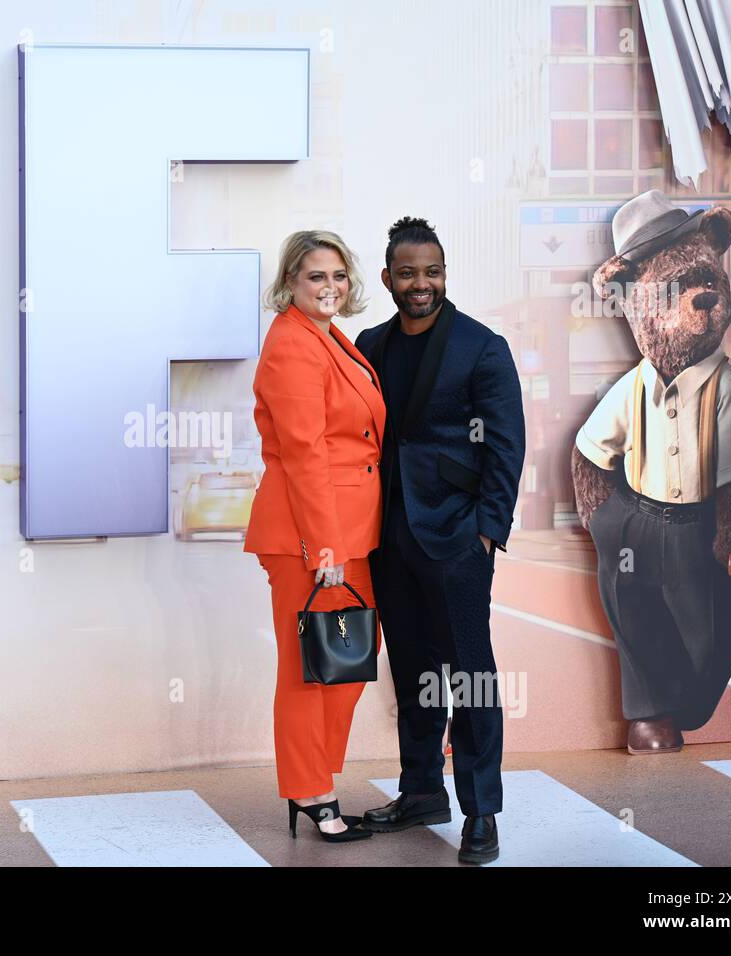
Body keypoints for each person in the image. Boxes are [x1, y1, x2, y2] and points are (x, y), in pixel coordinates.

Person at [354, 217, 525, 864]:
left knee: (470, 676)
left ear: (445, 274)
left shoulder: (482, 347)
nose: (420, 283)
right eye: (407, 272)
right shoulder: (369, 344)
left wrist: (487, 532)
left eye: (432, 271)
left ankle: (482, 811)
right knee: (414, 671)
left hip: (457, 537)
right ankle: (422, 790)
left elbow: (507, 447)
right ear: (388, 278)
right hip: (388, 535)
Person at [244, 230, 386, 843]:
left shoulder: (327, 338)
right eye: (315, 278)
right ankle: (312, 792)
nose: (329, 288)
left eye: (338, 277)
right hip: (312, 538)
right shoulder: (291, 347)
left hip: (350, 534)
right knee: (310, 670)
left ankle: (319, 778)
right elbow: (303, 454)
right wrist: (324, 547)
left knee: (347, 663)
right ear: (290, 285)